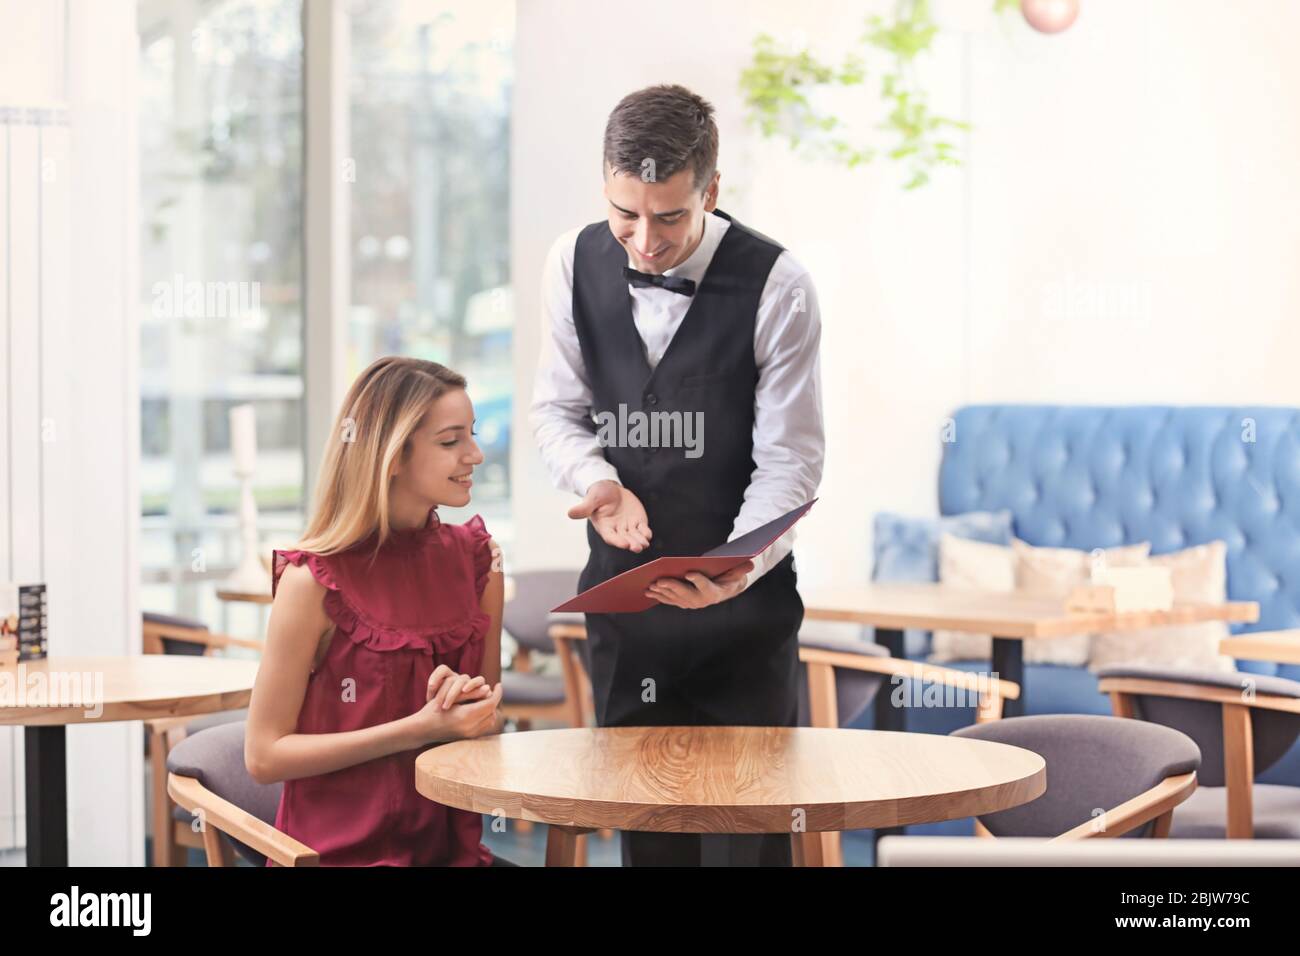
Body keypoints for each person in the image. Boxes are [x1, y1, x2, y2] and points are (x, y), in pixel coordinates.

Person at [531, 84, 825, 866]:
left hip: (743, 621)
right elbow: (555, 413)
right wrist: (597, 482)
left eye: (668, 217)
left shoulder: (780, 284)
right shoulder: (571, 260)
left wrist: (734, 568)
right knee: (648, 843)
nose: (644, 242)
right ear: (605, 186)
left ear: (712, 191)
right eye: (625, 214)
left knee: (750, 846)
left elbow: (792, 460)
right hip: (625, 616)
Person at [246, 356, 513, 866]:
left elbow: (487, 722)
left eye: (472, 434)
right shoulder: (310, 583)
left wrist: (472, 711)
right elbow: (263, 756)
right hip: (335, 856)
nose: (475, 454)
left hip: (446, 853)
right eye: (451, 440)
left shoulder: (479, 563)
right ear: (391, 456)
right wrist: (419, 728)